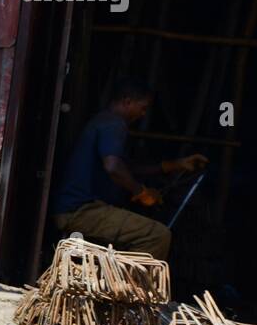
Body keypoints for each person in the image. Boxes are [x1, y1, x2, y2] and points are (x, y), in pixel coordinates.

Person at [53, 79, 207, 261]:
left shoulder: (103, 120)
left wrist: (173, 165)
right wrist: (141, 192)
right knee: (157, 235)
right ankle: (127, 288)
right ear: (127, 101)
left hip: (77, 208)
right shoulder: (114, 124)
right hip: (80, 211)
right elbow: (113, 167)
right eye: (143, 108)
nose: (143, 114)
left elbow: (126, 168)